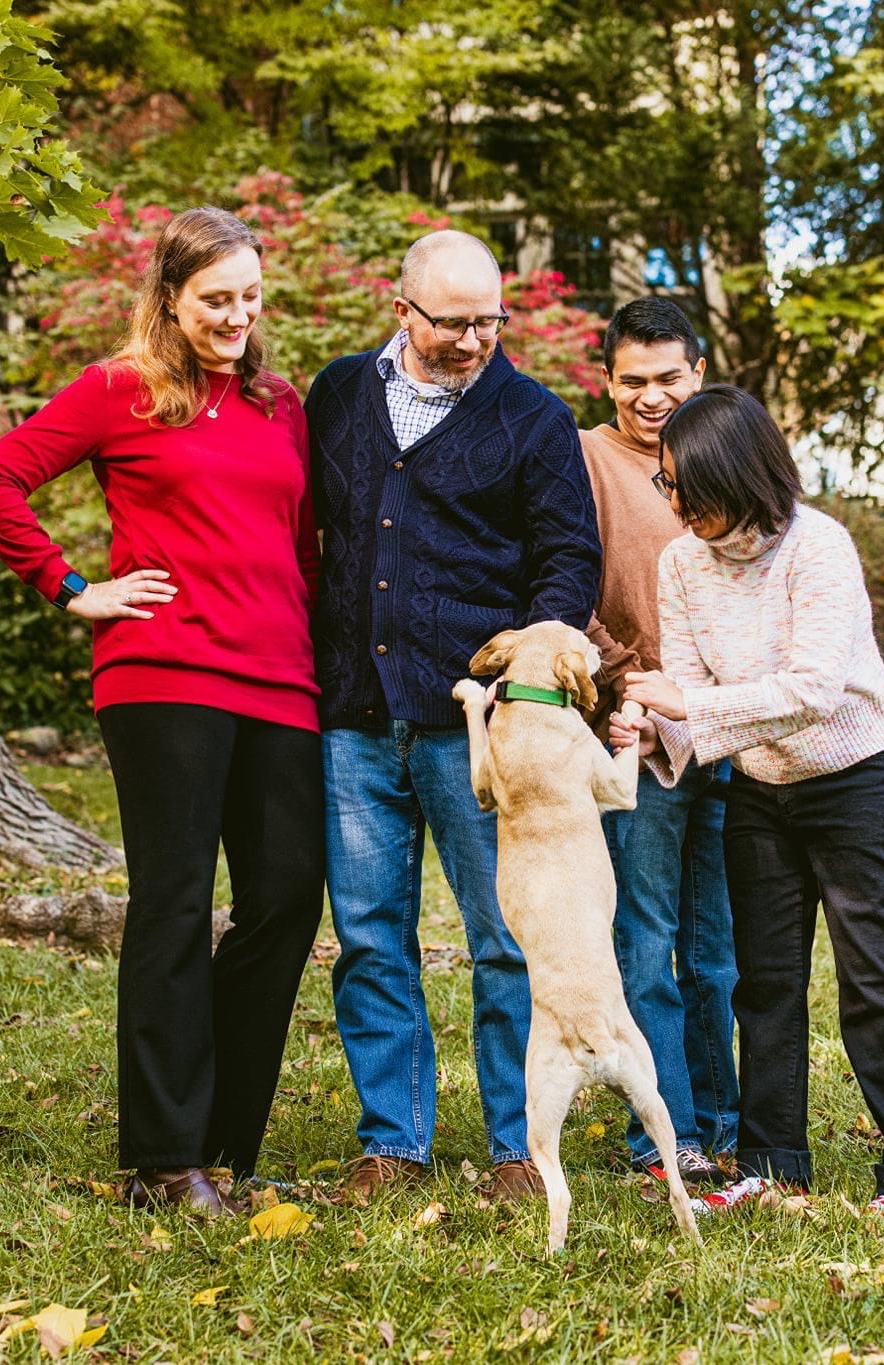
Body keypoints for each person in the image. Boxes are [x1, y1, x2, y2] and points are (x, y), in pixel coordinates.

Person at [0, 207, 323, 1215]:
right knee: (173, 904)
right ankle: (165, 1161)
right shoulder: (122, 389)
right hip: (164, 678)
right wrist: (73, 587)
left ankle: (222, 1144)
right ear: (169, 297)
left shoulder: (278, 403)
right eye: (215, 300)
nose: (236, 316)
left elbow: (298, 548)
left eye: (249, 298)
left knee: (288, 896)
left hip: (281, 679)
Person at [306, 230, 602, 1204]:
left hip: (473, 729)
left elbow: (567, 563)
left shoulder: (532, 418)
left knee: (502, 938)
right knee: (369, 936)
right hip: (352, 715)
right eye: (454, 322)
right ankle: (393, 1141)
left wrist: (532, 675)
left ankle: (519, 1148)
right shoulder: (340, 395)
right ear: (402, 311)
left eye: (489, 320)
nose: (476, 339)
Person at [612, 385, 884, 1216]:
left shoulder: (817, 548)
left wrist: (687, 709)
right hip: (759, 785)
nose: (678, 502)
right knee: (764, 982)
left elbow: (813, 687)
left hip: (855, 778)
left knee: (874, 975)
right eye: (668, 484)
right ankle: (773, 1161)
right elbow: (691, 694)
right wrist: (656, 733)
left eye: (690, 485)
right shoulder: (681, 561)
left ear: (741, 472)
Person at [580, 298, 737, 1189]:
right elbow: (566, 582)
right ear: (607, 379)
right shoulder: (586, 458)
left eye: (668, 378)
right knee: (646, 943)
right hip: (636, 733)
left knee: (717, 951)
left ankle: (722, 1123)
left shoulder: (723, 449)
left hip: (728, 734)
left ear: (698, 373)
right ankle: (661, 1135)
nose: (650, 397)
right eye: (632, 381)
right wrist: (626, 684)